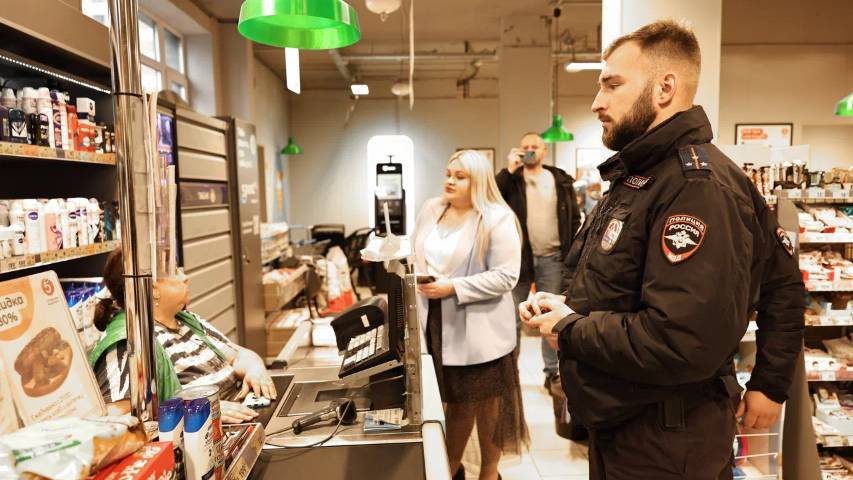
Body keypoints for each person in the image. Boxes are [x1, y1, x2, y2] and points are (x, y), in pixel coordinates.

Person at [521, 20, 804, 479]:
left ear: (664, 88)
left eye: (612, 84)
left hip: (667, 436)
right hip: (626, 422)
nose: (597, 102)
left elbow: (680, 337)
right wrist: (567, 309)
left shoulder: (697, 187)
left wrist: (572, 328)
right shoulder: (641, 177)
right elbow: (623, 285)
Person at [413, 150, 528, 480]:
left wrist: (453, 287)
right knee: (452, 403)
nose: (450, 181)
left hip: (481, 332)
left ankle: (487, 473)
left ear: (478, 181)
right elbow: (415, 253)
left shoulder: (496, 219)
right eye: (448, 174)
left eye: (460, 176)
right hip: (435, 323)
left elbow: (507, 276)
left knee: (486, 406)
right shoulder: (432, 209)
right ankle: (449, 468)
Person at [90, 248, 277, 424]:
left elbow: (238, 355)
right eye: (174, 271)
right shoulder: (129, 344)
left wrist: (255, 368)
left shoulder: (186, 320)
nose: (185, 277)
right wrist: (200, 409)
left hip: (248, 415)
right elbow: (115, 419)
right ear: (152, 289)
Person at [495, 133, 581, 391]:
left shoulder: (560, 179)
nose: (530, 150)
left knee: (549, 316)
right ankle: (509, 374)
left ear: (544, 151)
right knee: (511, 318)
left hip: (553, 258)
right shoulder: (511, 180)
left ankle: (552, 373)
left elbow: (574, 218)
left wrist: (571, 252)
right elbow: (491, 201)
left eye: (535, 147)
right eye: (525, 147)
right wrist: (508, 171)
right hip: (518, 259)